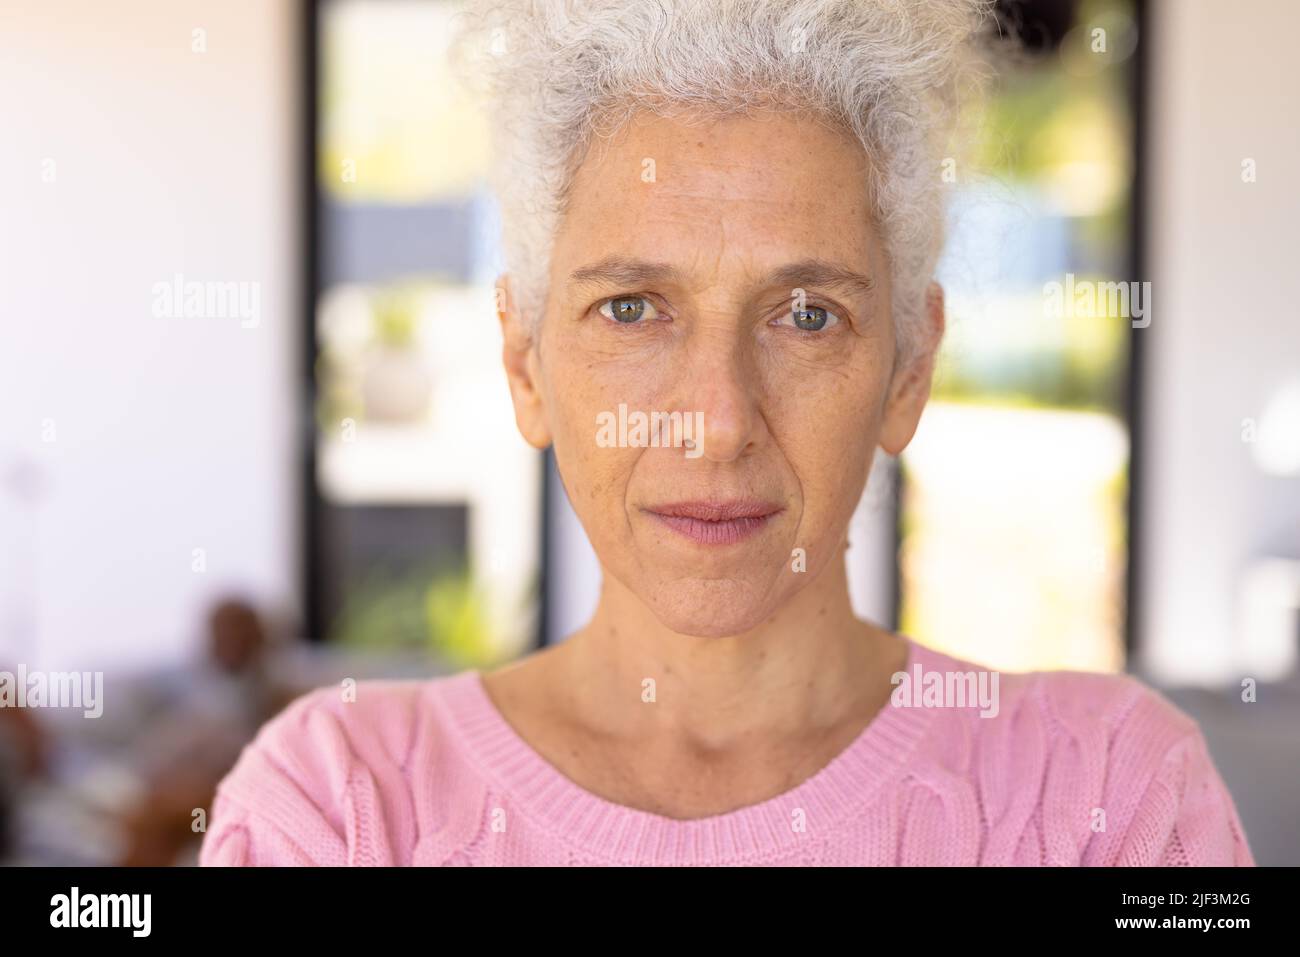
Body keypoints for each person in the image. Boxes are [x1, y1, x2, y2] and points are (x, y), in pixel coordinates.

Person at [200, 0, 1253, 866]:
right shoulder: (335, 808)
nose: (714, 423)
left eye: (805, 317)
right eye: (631, 309)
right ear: (524, 362)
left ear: (907, 370)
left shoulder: (1113, 798)